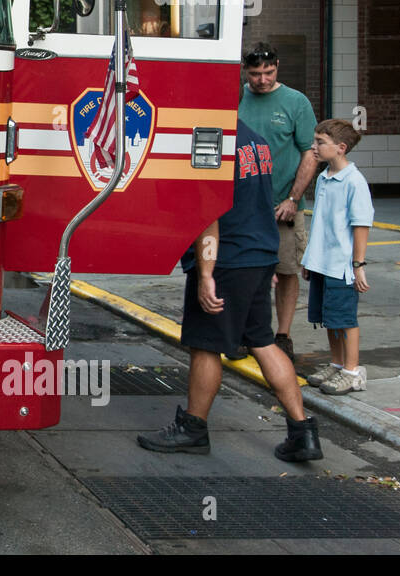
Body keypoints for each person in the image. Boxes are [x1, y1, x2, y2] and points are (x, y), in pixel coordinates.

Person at [137, 120, 322, 462]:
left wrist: (207, 273)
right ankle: (303, 434)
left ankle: (193, 428)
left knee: (205, 345)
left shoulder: (211, 139)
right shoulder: (255, 139)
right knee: (262, 341)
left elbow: (209, 211)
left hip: (226, 258)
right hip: (257, 253)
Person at [237, 42, 319, 362]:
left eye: (268, 72)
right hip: (241, 205)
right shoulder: (236, 99)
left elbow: (309, 153)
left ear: (278, 67)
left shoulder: (296, 102)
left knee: (286, 271)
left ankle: (282, 335)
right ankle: (248, 332)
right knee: (244, 271)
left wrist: (293, 199)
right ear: (246, 72)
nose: (262, 80)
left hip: (282, 205)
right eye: (256, 74)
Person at [301, 119, 373, 395]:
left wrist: (358, 265)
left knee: (344, 319)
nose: (314, 147)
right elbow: (319, 222)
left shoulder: (354, 182)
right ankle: (337, 363)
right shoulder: (323, 177)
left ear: (340, 148)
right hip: (322, 262)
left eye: (320, 142)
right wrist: (310, 258)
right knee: (329, 318)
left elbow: (361, 225)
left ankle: (352, 372)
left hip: (342, 265)